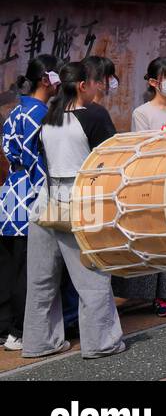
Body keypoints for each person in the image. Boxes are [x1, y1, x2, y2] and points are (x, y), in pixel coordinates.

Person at [23, 60, 126, 359]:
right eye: (96, 83)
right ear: (83, 86)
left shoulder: (49, 117)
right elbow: (110, 160)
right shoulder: (94, 115)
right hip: (82, 200)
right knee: (92, 276)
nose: (99, 88)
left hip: (46, 200)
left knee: (41, 279)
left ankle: (39, 342)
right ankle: (101, 343)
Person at [121, 57, 166, 316]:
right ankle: (146, 293)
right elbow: (142, 148)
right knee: (153, 239)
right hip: (152, 180)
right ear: (153, 82)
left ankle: (165, 295)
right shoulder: (142, 113)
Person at [0, 55, 59, 351]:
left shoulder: (17, 111)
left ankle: (3, 327)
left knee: (8, 266)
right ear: (46, 80)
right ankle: (18, 331)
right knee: (28, 267)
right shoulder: (40, 114)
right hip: (30, 195)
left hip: (10, 193)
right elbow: (39, 160)